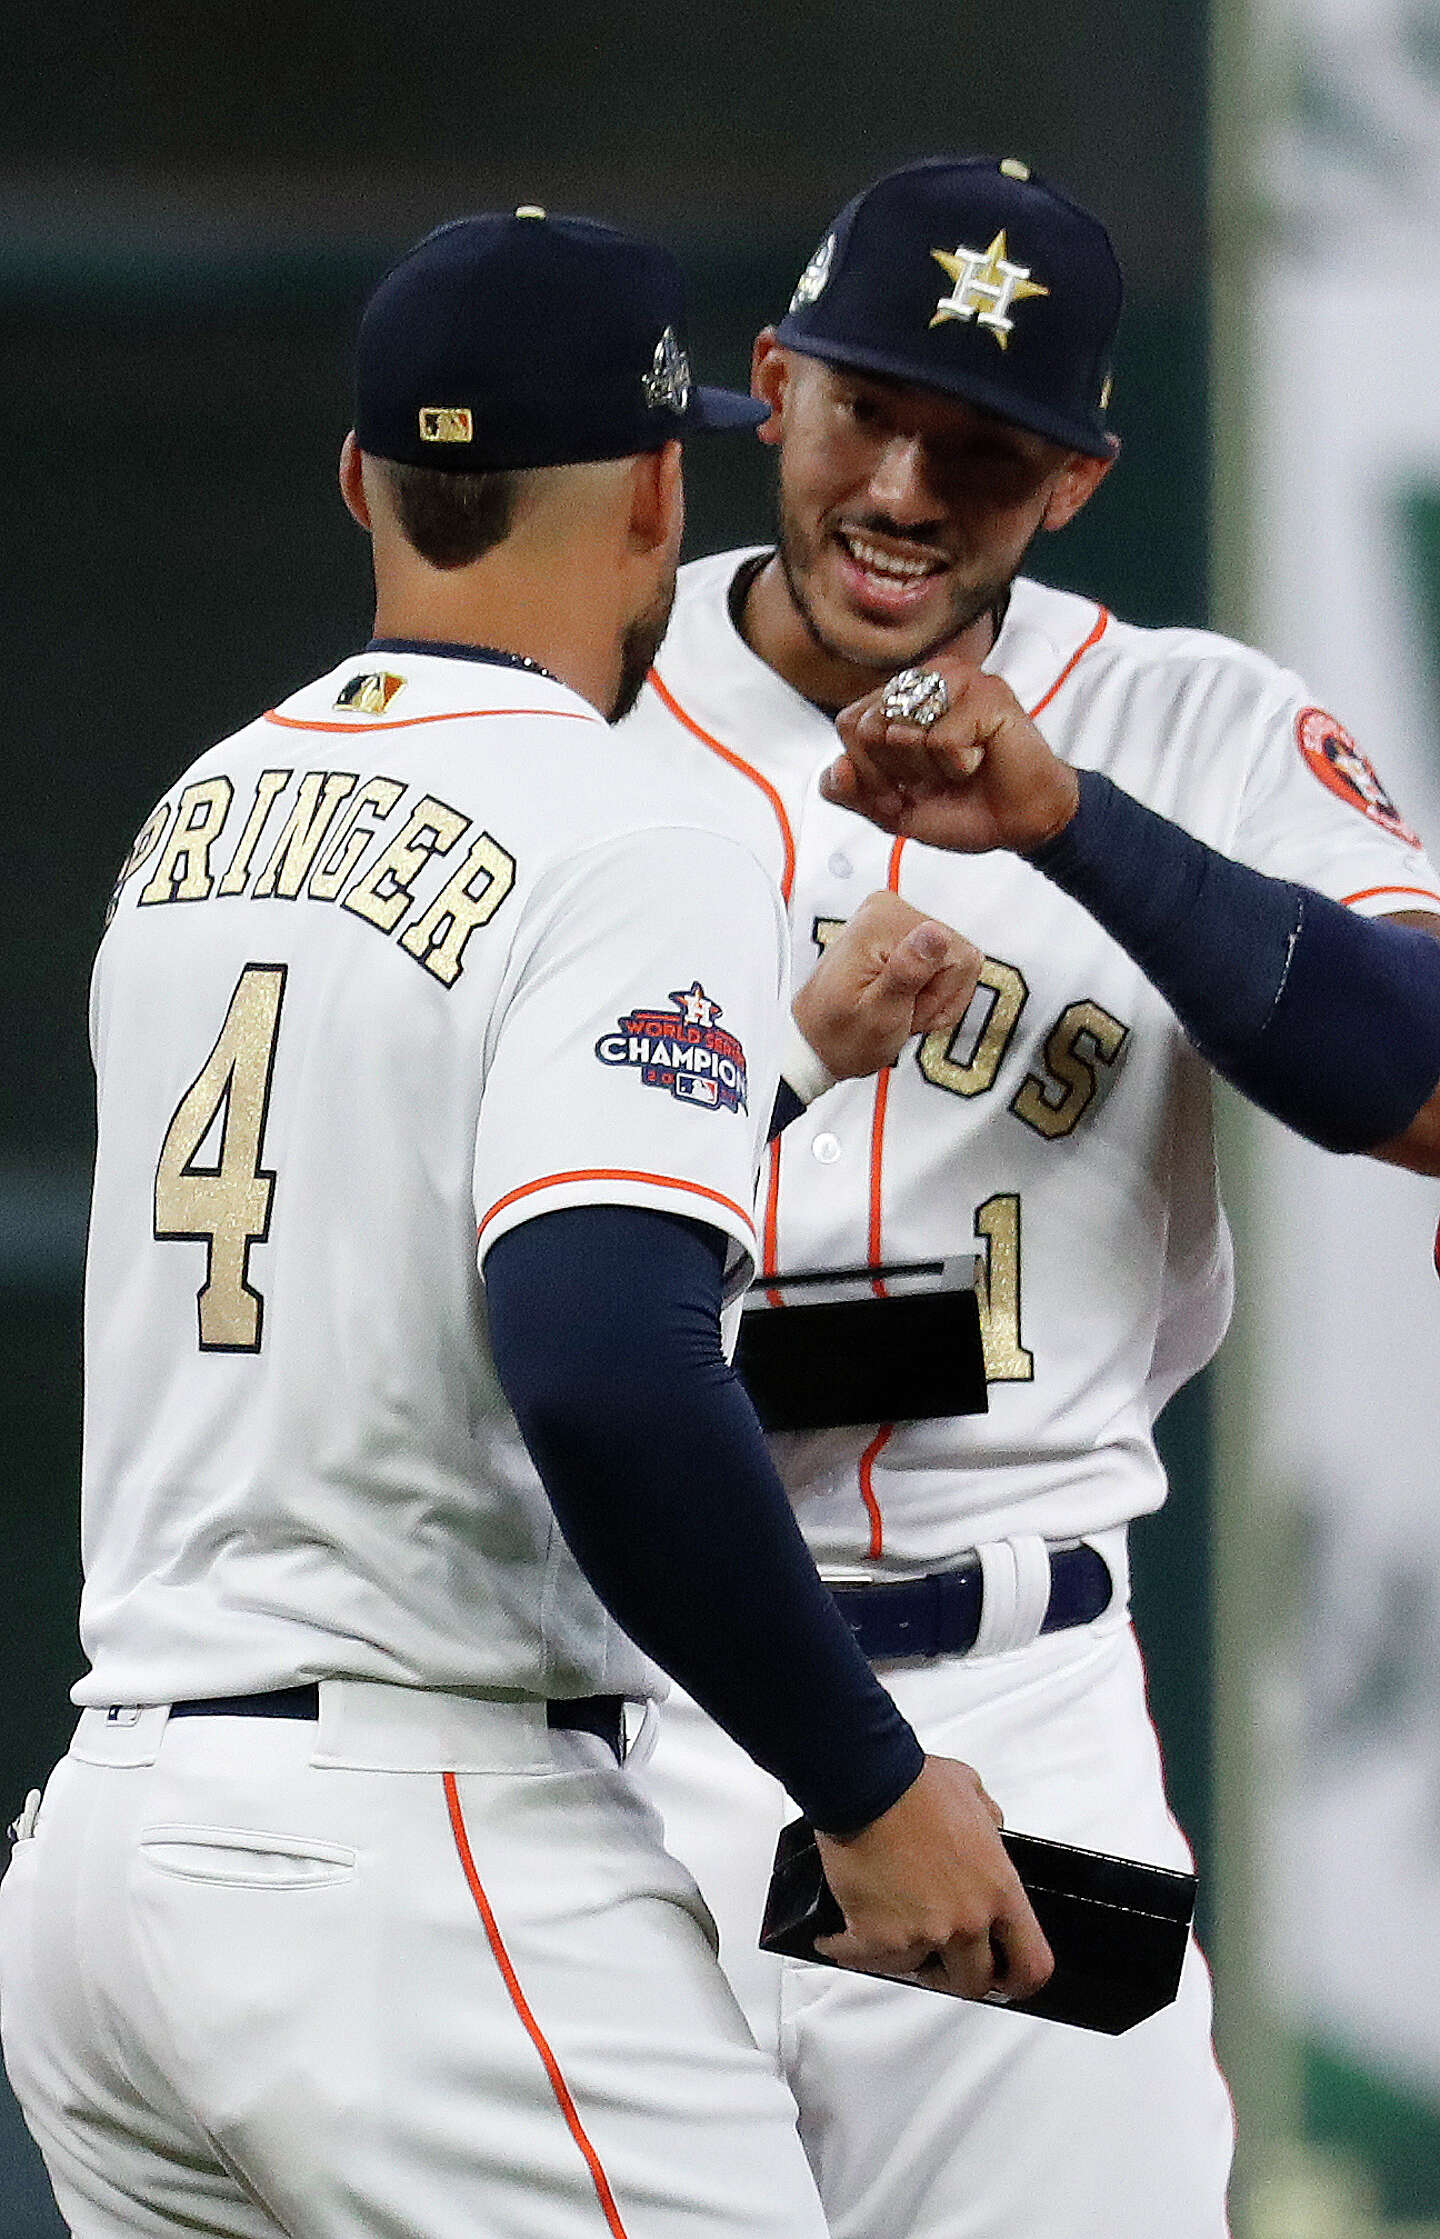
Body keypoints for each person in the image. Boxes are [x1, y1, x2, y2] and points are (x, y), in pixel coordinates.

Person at [0, 206, 1052, 2239]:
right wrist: (868, 1780)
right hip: (416, 1858)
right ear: (666, 491)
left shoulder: (196, 817)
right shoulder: (628, 820)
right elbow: (598, 1363)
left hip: (112, 1866)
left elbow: (406, 1265)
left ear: (360, 482)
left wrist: (782, 1066)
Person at [622, 156, 1440, 2239]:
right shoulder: (586, 718)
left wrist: (1078, 826)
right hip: (612, 1716)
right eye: (865, 413)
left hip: (1024, 1708)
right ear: (771, 384)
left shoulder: (1189, 720)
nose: (904, 487)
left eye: (981, 456)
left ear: (1075, 484)